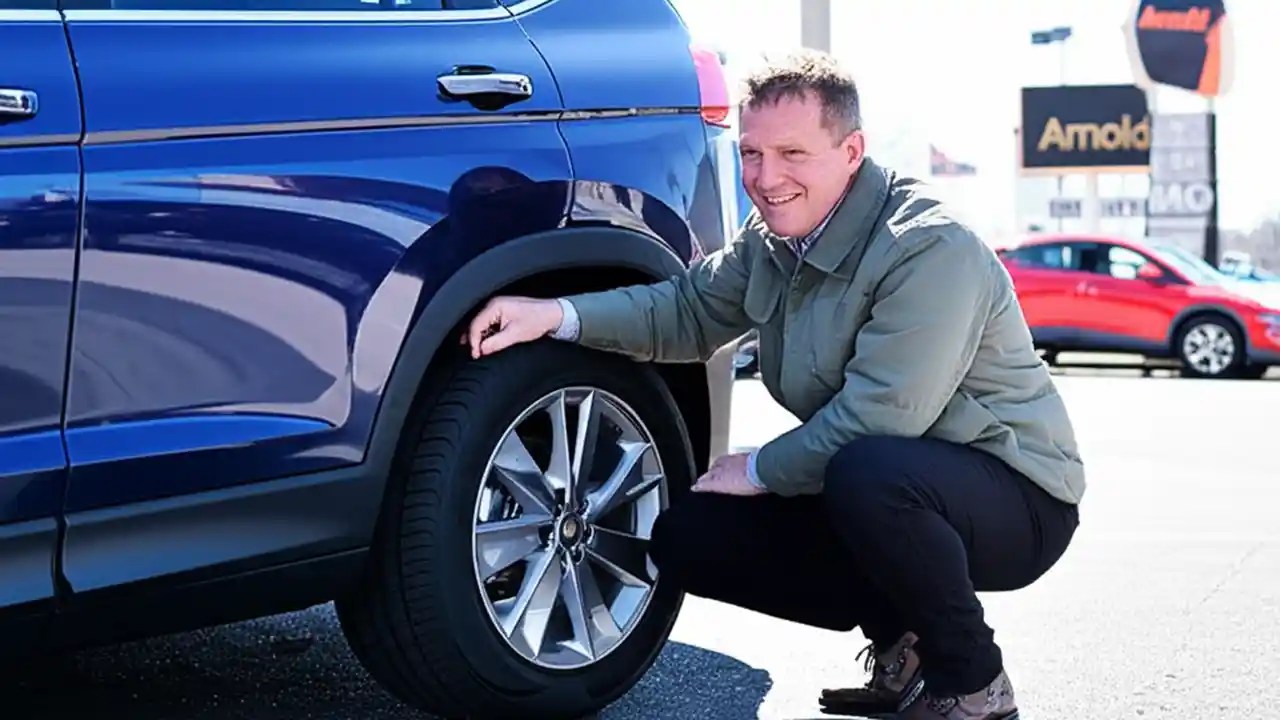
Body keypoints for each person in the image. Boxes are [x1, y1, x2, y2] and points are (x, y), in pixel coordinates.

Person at [464, 49, 1084, 720]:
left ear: (852, 151)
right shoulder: (770, 244)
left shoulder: (929, 248)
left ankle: (973, 682)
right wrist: (554, 315)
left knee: (867, 473)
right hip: (888, 482)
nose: (767, 177)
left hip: (1016, 498)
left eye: (793, 153)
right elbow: (683, 312)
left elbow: (883, 415)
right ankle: (906, 648)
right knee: (689, 537)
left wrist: (761, 469)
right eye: (751, 153)